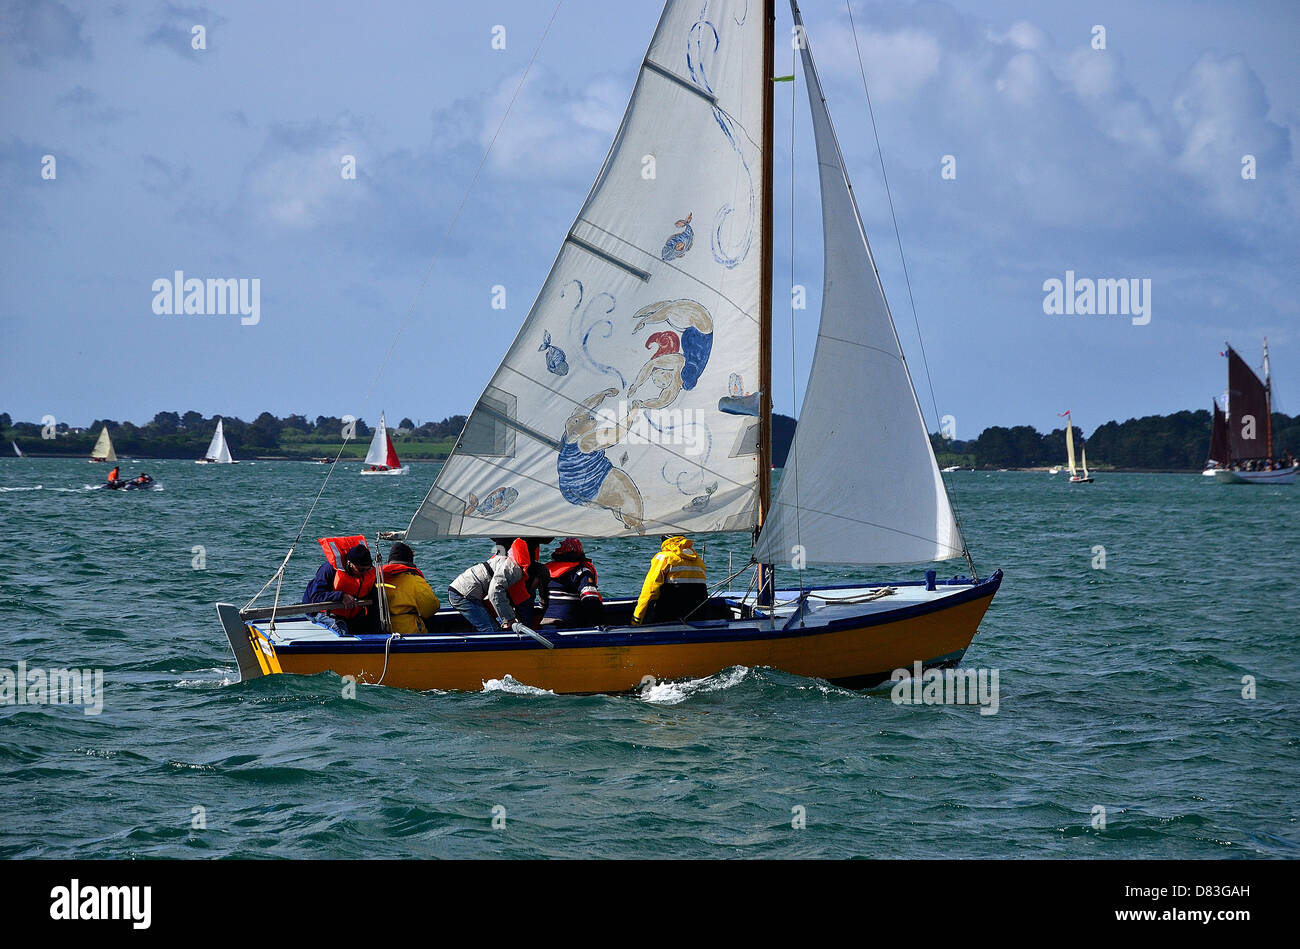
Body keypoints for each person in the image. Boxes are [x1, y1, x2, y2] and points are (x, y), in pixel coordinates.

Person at [448, 539, 534, 634]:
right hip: (463, 595)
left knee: (492, 626)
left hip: (463, 590)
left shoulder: (505, 559)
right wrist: (509, 620)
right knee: (492, 631)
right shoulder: (514, 568)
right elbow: (495, 591)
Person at [303, 540, 376, 635]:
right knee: (342, 632)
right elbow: (316, 597)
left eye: (367, 569)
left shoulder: (368, 574)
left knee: (373, 630)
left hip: (350, 614)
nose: (364, 573)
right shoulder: (328, 570)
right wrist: (341, 596)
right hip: (321, 612)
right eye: (360, 569)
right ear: (349, 563)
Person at [632, 535, 708, 625]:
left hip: (668, 617)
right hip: (697, 618)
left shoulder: (665, 557)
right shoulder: (698, 560)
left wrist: (637, 619)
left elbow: (650, 592)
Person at [379, 542, 440, 637]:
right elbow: (430, 608)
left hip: (380, 631)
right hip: (407, 632)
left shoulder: (378, 578)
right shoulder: (414, 580)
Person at [544, 537, 603, 626]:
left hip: (545, 622)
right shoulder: (582, 571)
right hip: (569, 623)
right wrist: (601, 623)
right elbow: (590, 600)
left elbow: (542, 601)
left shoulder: (546, 571)